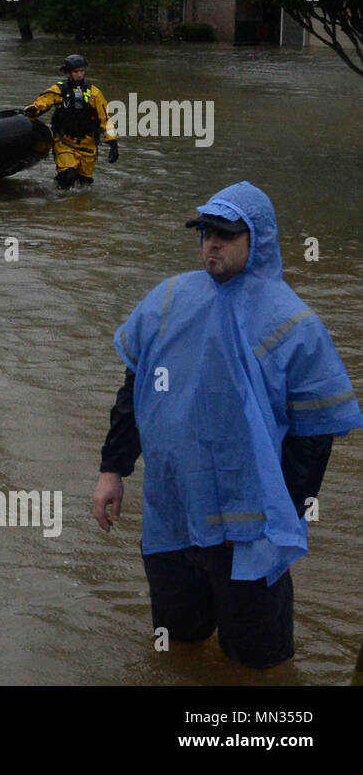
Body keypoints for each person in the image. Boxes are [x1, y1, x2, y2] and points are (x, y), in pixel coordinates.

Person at [93, 182, 361, 669]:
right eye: (205, 232)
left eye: (225, 234)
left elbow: (314, 435)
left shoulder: (293, 324)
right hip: (172, 509)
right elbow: (134, 392)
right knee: (177, 644)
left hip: (249, 527)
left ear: (255, 239)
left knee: (258, 662)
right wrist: (113, 471)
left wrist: (286, 512)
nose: (211, 243)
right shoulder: (168, 300)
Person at [24, 55, 118, 188]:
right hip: (65, 142)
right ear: (68, 73)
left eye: (82, 71)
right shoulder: (59, 90)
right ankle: (60, 201)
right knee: (68, 177)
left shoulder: (94, 93)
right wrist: (33, 110)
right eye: (75, 72)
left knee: (85, 185)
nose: (79, 75)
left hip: (88, 145)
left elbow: (106, 118)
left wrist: (113, 143)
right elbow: (43, 102)